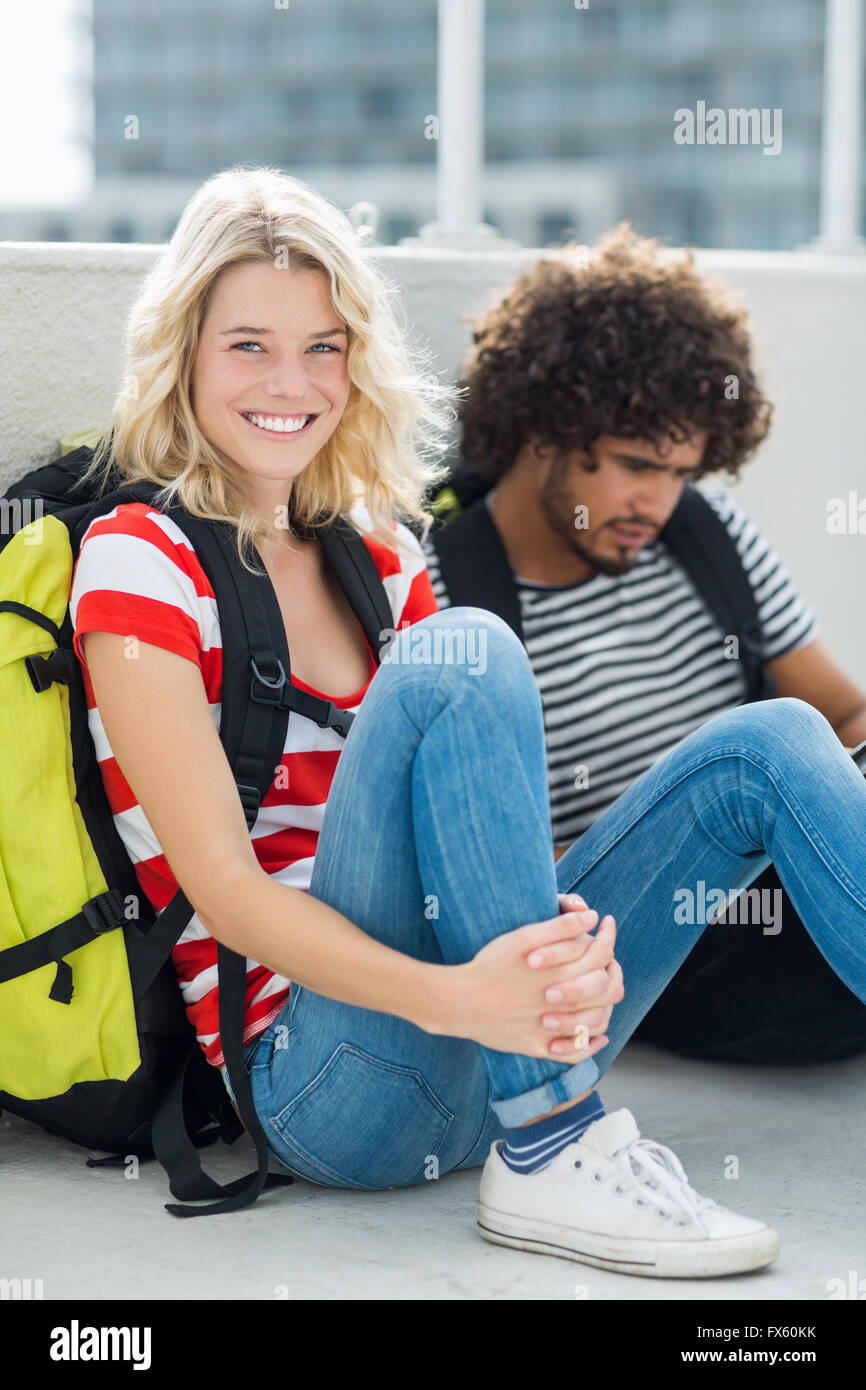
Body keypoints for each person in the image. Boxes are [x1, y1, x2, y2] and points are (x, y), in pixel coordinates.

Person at [68, 167, 866, 1281]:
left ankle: (540, 1123)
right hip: (328, 1078)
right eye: (247, 343)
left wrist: (569, 946)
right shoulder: (136, 562)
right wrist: (465, 997)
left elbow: (474, 837)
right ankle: (551, 1142)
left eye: (323, 346)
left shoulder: (384, 554)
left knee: (773, 742)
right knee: (472, 650)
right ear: (184, 354)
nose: (288, 381)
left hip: (481, 1040)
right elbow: (227, 896)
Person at [424, 224, 866, 1066]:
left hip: (814, 907)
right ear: (542, 429)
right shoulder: (448, 594)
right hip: (668, 959)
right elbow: (470, 864)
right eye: (634, 465)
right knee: (768, 749)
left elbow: (844, 711)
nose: (656, 504)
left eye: (680, 473)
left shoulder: (706, 536)